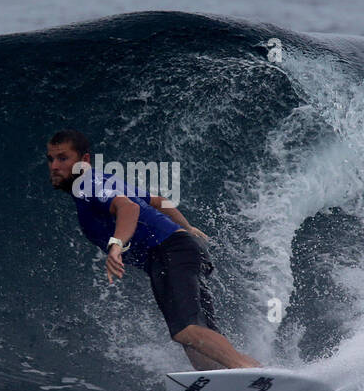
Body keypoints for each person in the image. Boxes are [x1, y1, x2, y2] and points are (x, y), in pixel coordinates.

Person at [46, 129, 261, 370]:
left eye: (63, 158)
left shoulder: (89, 185)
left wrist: (116, 245)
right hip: (177, 250)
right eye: (51, 159)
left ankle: (248, 370)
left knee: (187, 330)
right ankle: (239, 379)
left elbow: (129, 209)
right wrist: (188, 229)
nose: (54, 166)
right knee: (194, 337)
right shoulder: (101, 182)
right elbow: (158, 201)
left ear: (83, 161)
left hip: (169, 251)